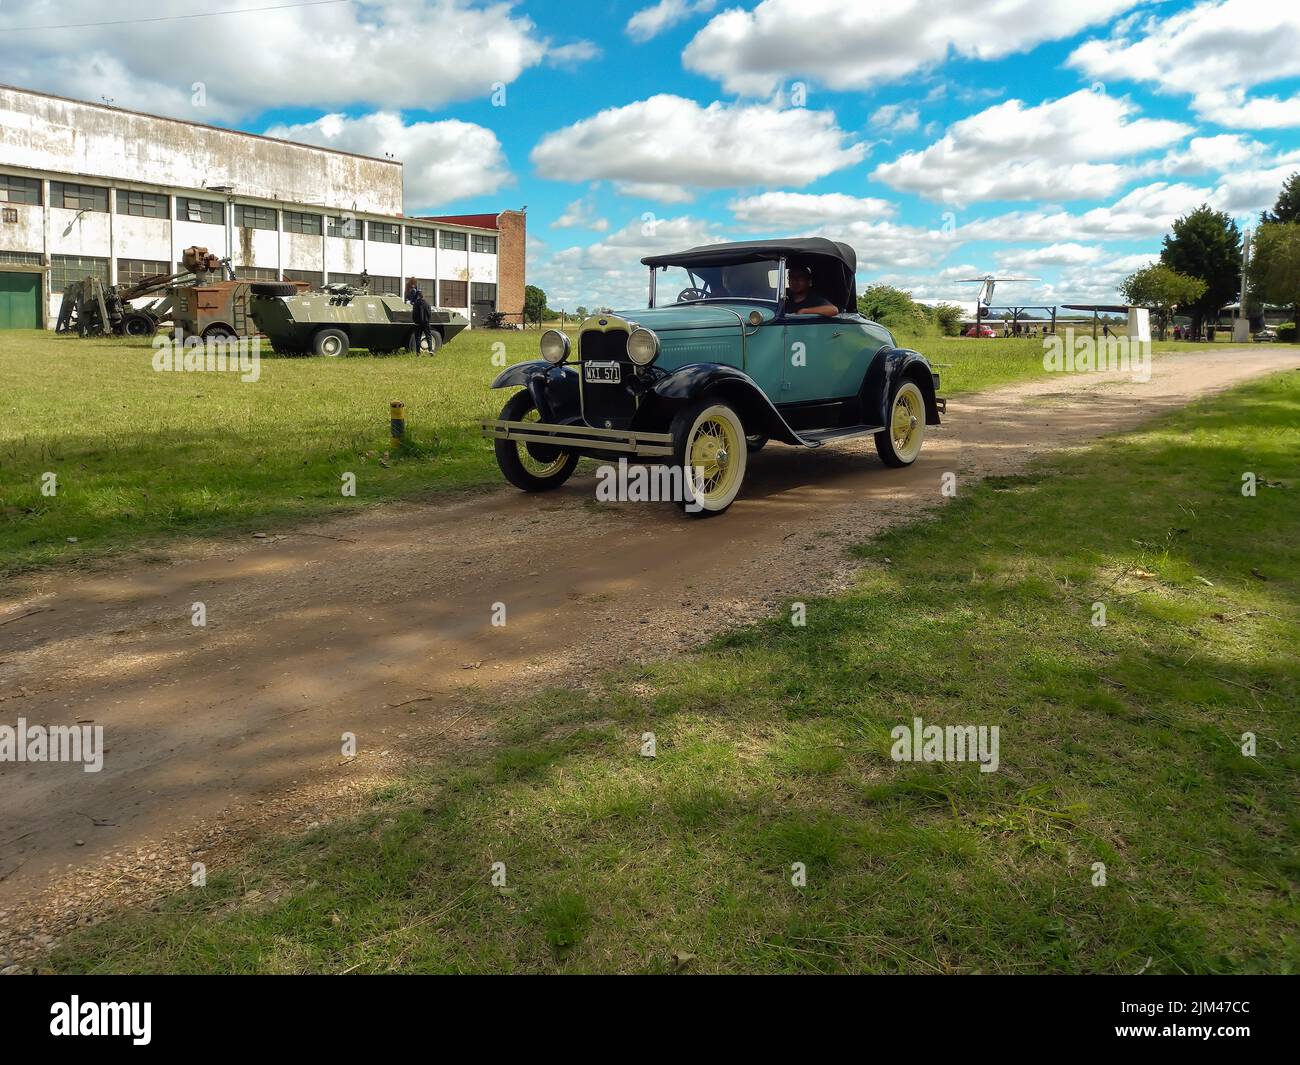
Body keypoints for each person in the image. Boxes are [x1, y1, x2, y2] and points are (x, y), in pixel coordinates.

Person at [411, 288, 436, 353]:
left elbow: (414, 313)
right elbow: (430, 313)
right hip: (426, 323)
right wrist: (428, 320)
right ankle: (430, 350)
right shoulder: (427, 303)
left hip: (418, 323)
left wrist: (415, 321)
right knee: (428, 336)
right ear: (423, 296)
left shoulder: (416, 304)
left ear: (418, 296)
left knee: (418, 338)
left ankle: (418, 352)